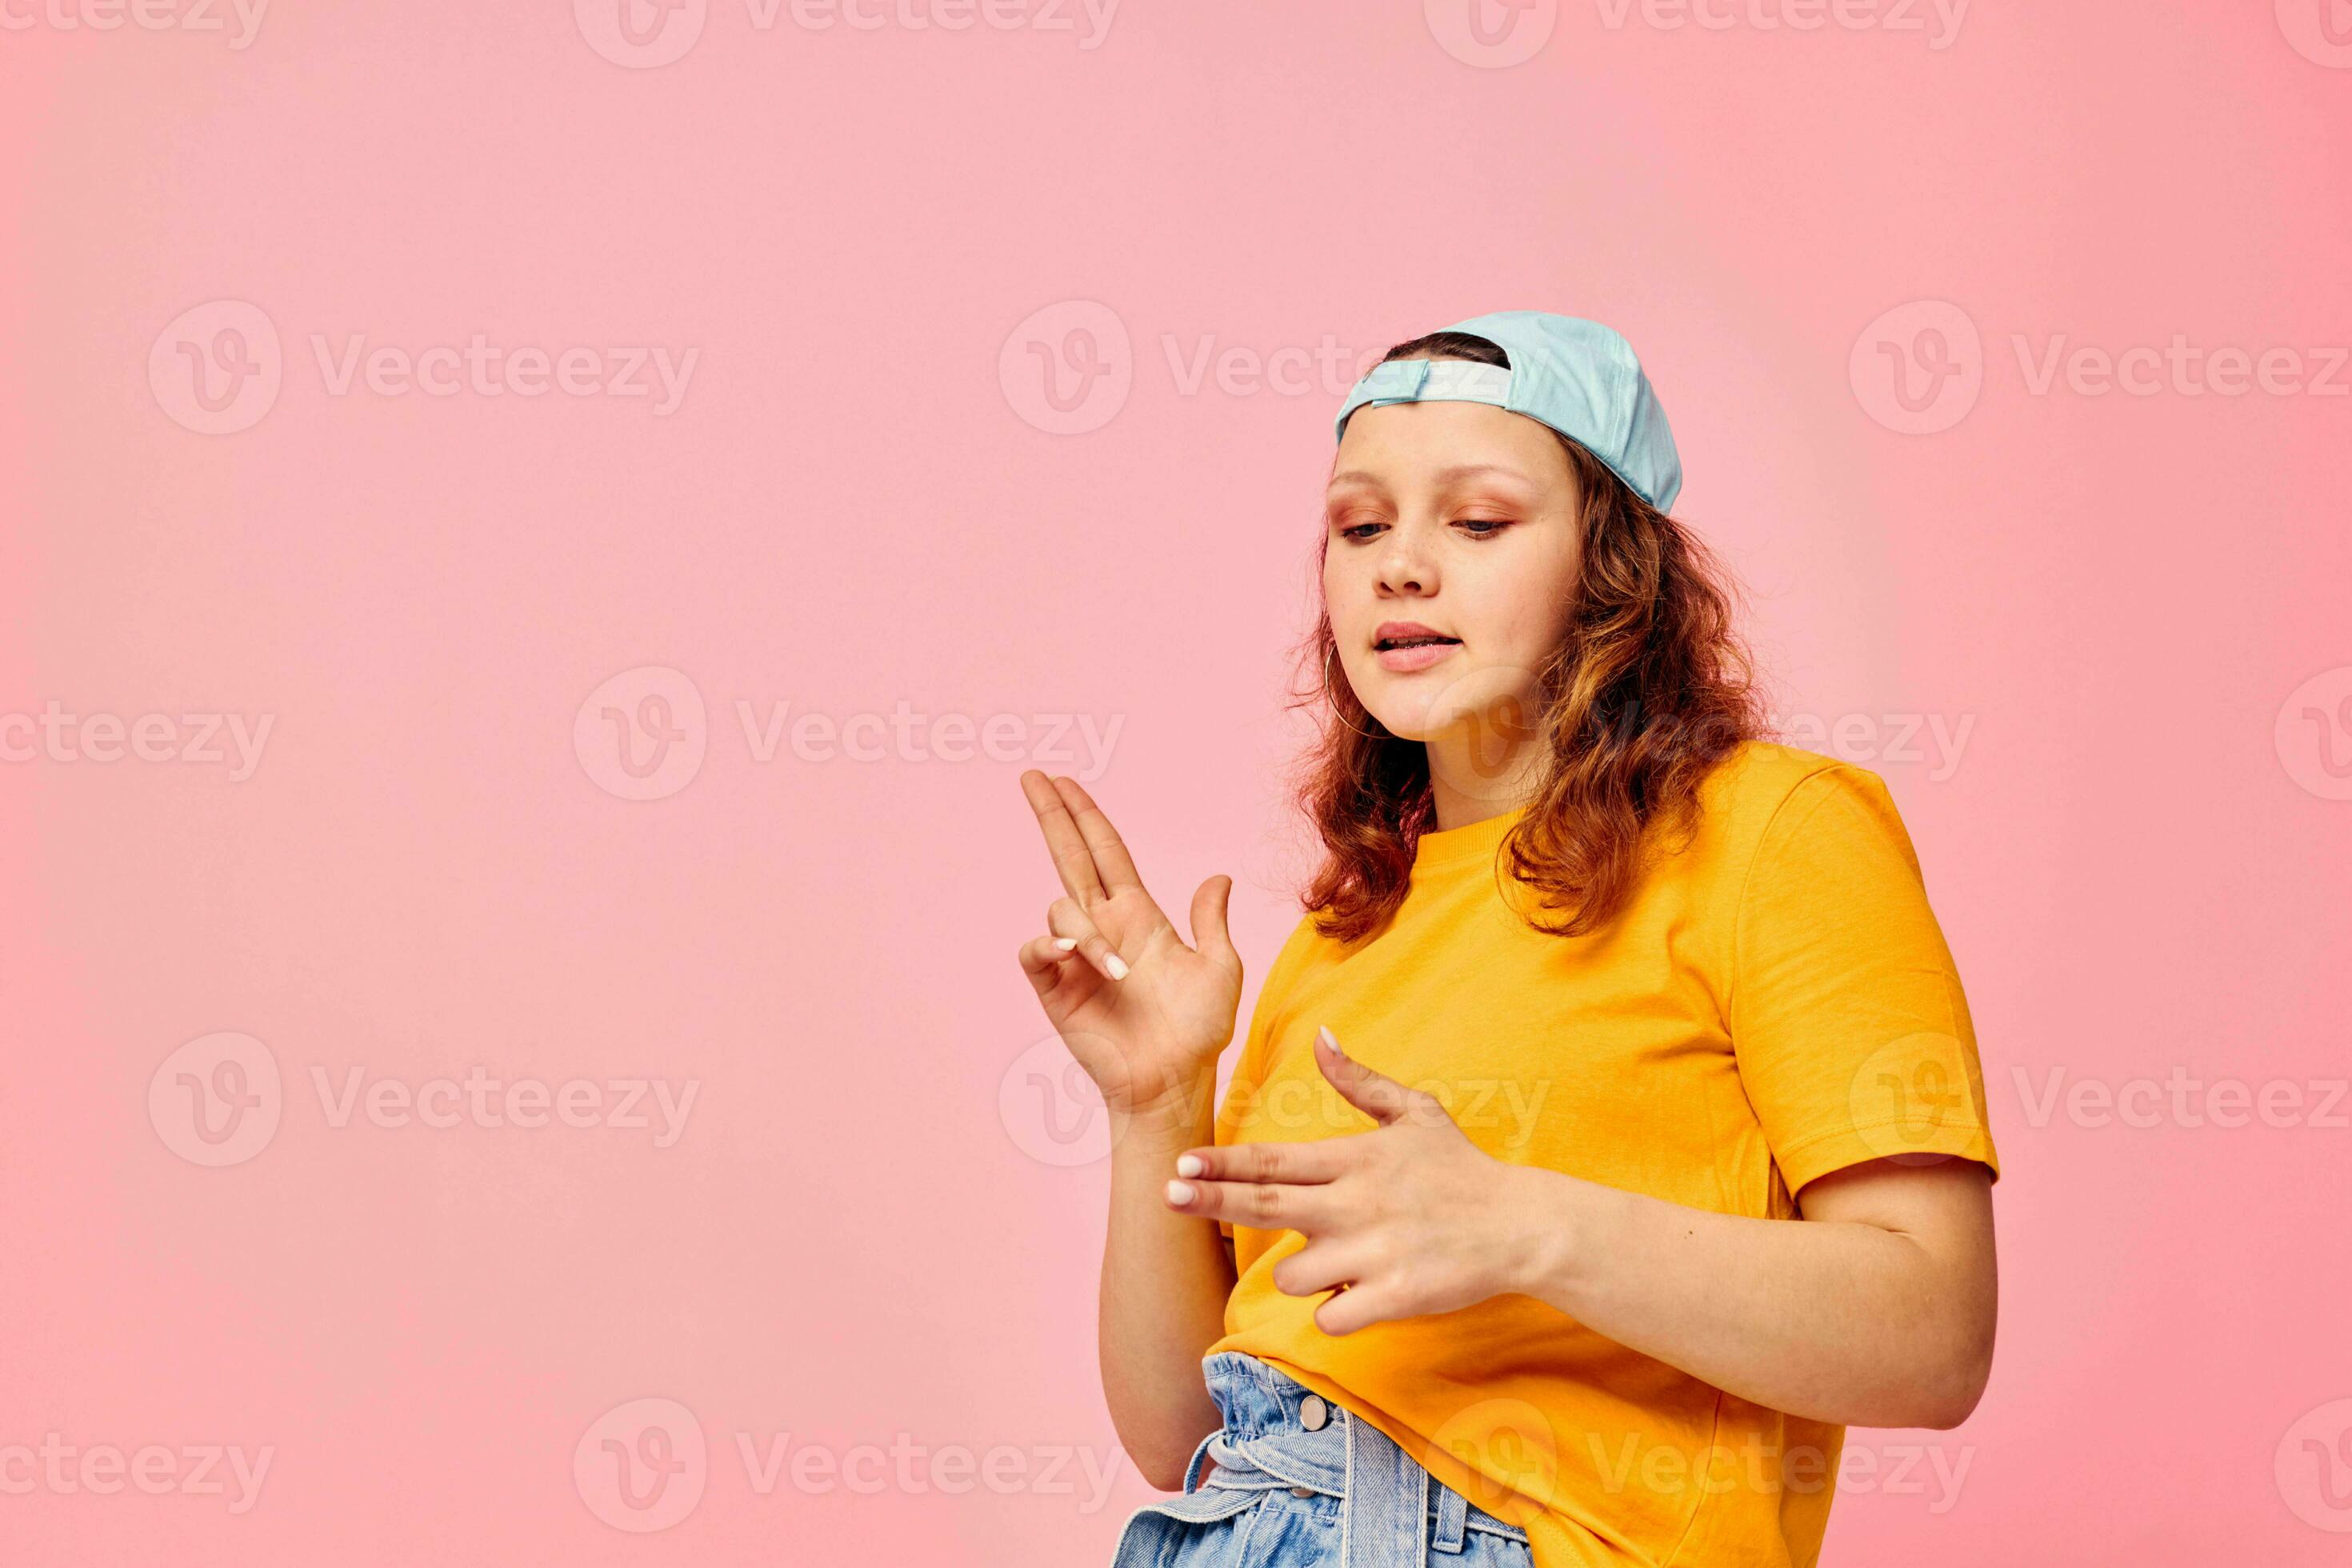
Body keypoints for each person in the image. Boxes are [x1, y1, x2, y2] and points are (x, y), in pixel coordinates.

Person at [1014, 311, 2001, 1568]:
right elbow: (1181, 1440)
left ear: (1615, 568)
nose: (1400, 566)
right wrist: (1157, 1102)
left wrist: (1524, 1227)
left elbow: (1936, 1336)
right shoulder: (1345, 932)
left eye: (1478, 522)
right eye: (1360, 527)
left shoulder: (1775, 832)